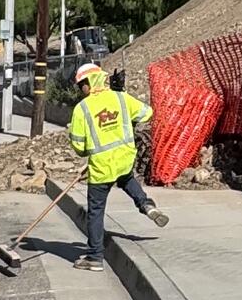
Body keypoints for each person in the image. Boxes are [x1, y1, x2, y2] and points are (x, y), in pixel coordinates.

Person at [68, 62, 168, 269]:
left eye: (81, 85)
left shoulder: (82, 109)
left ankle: (95, 257)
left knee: (95, 211)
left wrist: (89, 151)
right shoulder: (120, 98)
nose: (81, 90)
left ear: (88, 83)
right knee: (126, 178)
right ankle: (145, 204)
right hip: (124, 158)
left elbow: (78, 145)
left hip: (101, 167)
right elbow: (146, 113)